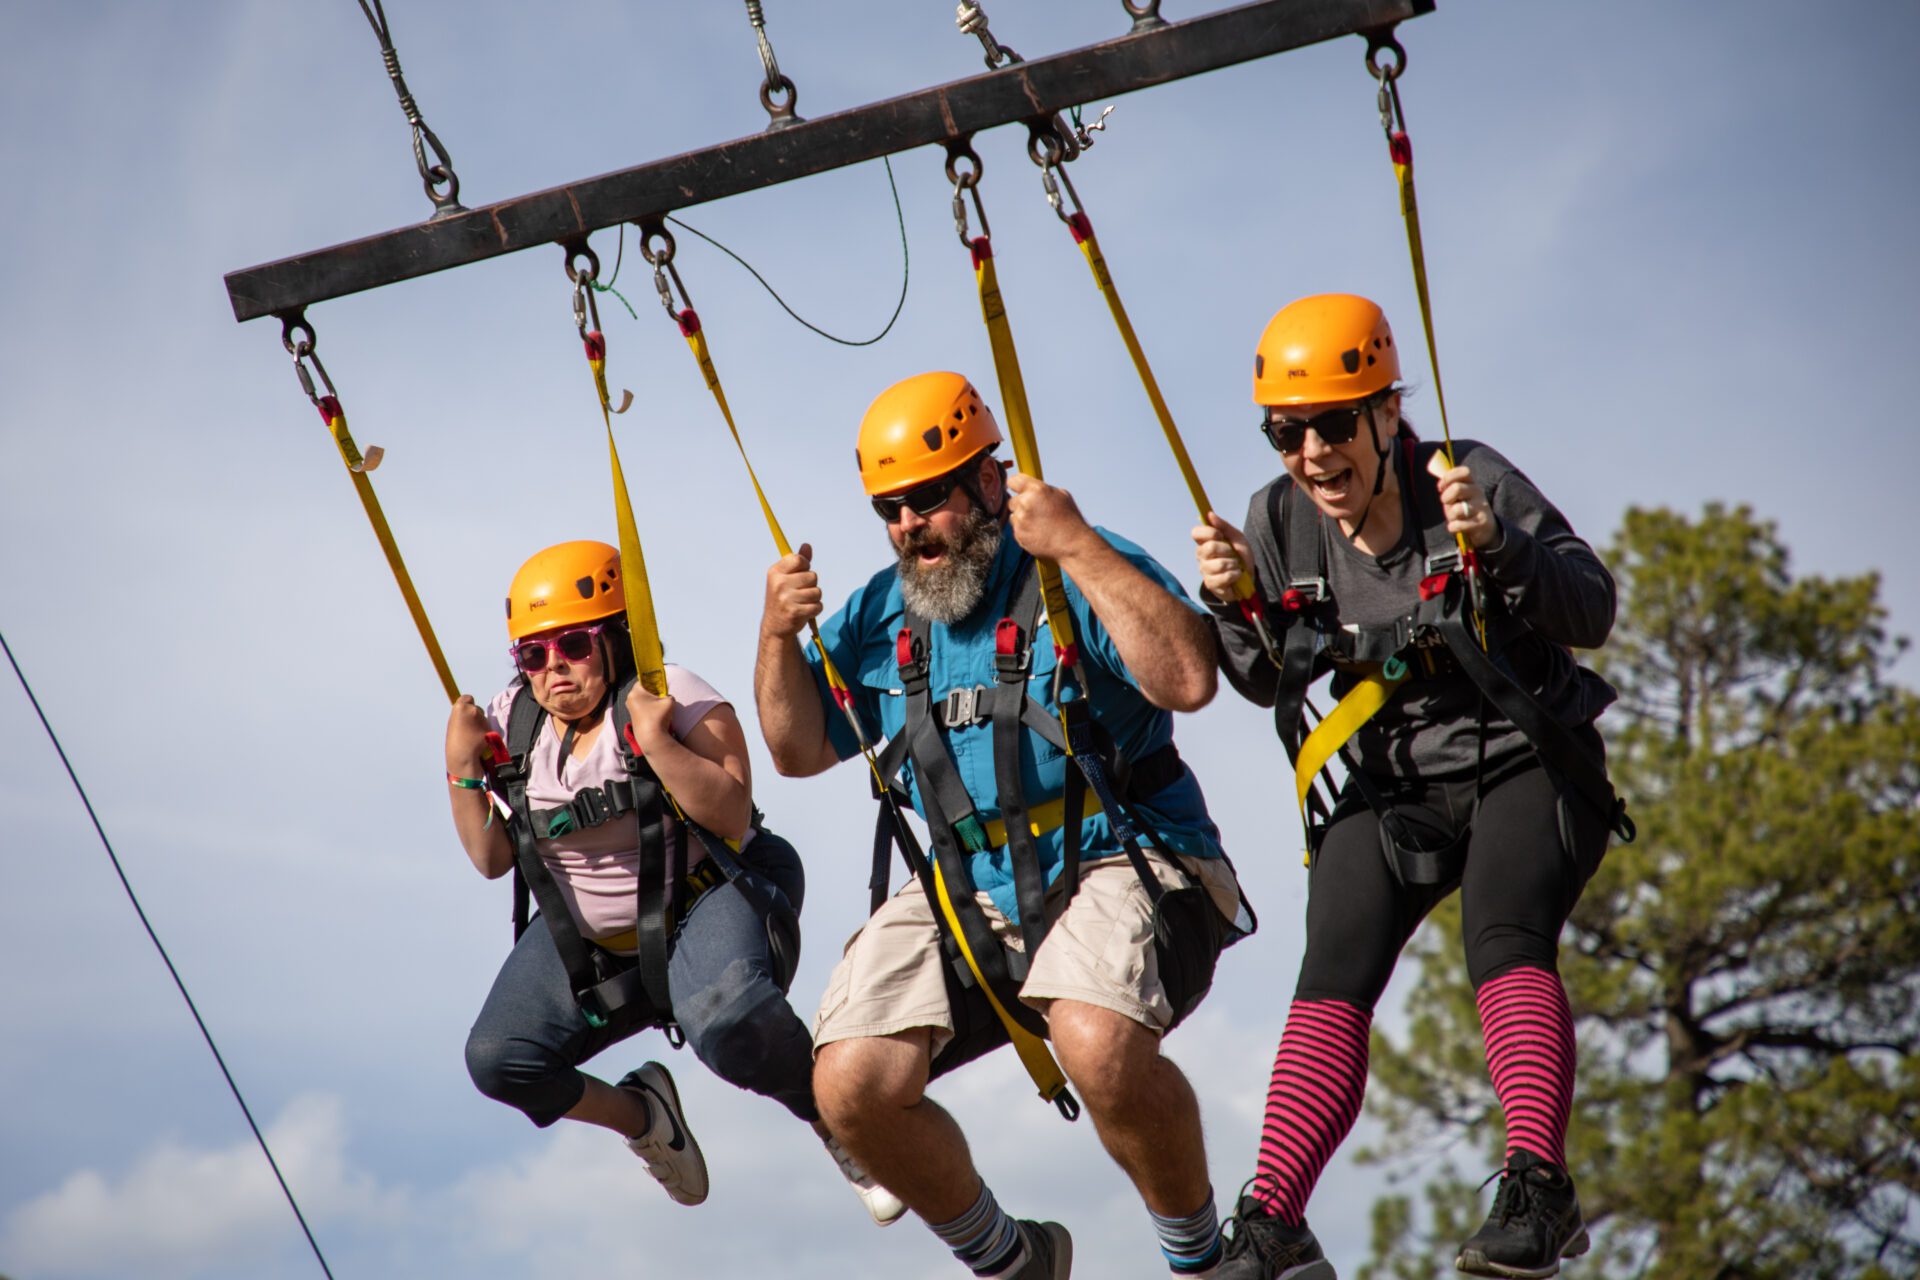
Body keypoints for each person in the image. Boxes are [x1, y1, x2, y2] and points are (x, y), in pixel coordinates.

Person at [756, 372, 1250, 1280]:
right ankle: (1012, 1259)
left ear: (989, 481)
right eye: (889, 509)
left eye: (927, 500)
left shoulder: (1071, 563)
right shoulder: (879, 611)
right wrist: (777, 635)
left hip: (1122, 852)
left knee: (1096, 1045)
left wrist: (1077, 545)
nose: (908, 525)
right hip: (967, 881)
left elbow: (1188, 679)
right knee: (849, 1088)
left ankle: (1204, 1259)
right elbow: (795, 750)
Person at [1191, 295, 1625, 1279]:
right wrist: (1234, 604)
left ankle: (1538, 1189)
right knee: (1332, 966)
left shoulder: (1465, 478)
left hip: (1525, 758)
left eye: (1334, 425)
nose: (1311, 454)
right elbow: (1262, 676)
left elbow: (1592, 610)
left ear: (1389, 412)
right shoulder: (1277, 520)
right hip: (1393, 782)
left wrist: (1500, 543)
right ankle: (1275, 1221)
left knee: (1502, 936)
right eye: (1286, 433)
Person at [443, 539, 904, 1223]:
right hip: (591, 940)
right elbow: (491, 859)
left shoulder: (674, 695)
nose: (553, 668)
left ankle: (836, 1120)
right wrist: (462, 771)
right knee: (499, 1059)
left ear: (615, 640)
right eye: (533, 655)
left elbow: (733, 814)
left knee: (732, 1020)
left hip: (701, 898)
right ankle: (643, 1116)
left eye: (573, 645)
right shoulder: (512, 724)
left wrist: (657, 743)